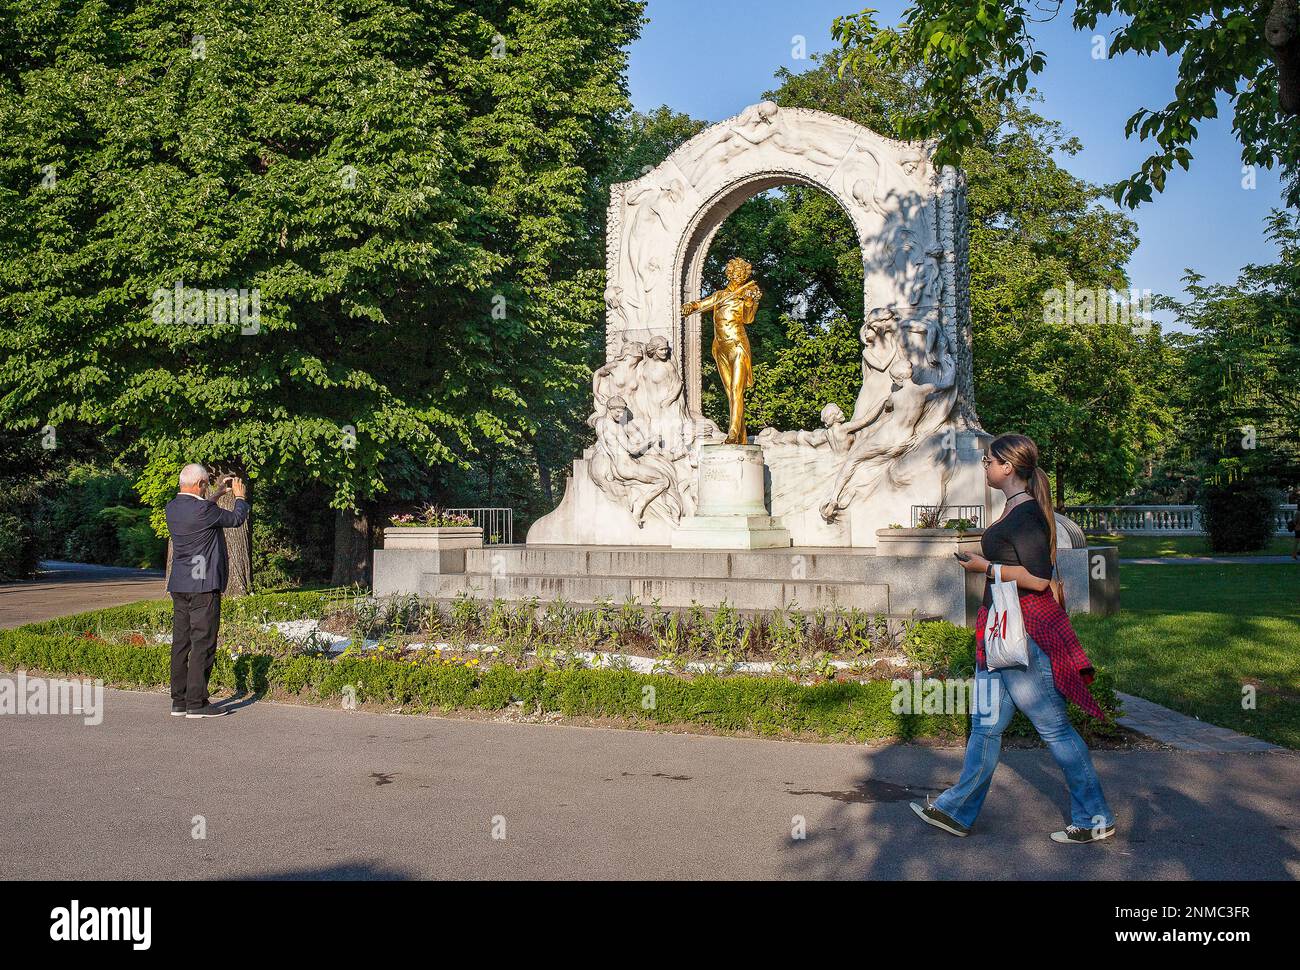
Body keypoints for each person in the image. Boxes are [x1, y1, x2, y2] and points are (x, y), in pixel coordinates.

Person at [910, 433, 1116, 844]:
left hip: (1022, 635)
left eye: (988, 461)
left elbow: (1038, 580)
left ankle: (1094, 817)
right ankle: (955, 811)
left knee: (1054, 728)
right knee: (985, 726)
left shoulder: (1026, 517)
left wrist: (986, 568)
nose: (984, 466)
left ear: (1008, 467)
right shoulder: (1015, 510)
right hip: (1001, 634)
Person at [164, 463, 250, 718]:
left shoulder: (172, 508)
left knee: (181, 642)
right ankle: (197, 703)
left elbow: (202, 508)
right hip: (203, 585)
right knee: (202, 643)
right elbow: (236, 519)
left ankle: (179, 701)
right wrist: (240, 497)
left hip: (180, 583)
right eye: (206, 485)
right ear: (201, 485)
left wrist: (218, 494)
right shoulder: (204, 511)